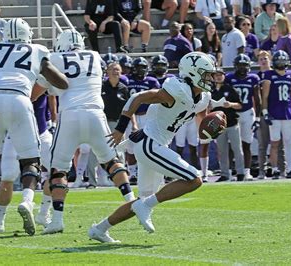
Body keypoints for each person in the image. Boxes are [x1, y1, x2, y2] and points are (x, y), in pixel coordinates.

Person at [88, 51, 221, 243]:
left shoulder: (203, 97)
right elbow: (138, 98)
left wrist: (212, 128)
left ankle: (99, 229)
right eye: (206, 74)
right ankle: (145, 206)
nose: (211, 78)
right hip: (150, 143)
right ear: (193, 73)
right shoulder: (177, 89)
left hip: (155, 144)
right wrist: (120, 129)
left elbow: (202, 120)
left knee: (143, 200)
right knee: (194, 179)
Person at [0, 18, 69, 235]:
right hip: (19, 100)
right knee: (30, 160)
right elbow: (62, 83)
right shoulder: (37, 50)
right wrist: (45, 76)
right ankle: (27, 202)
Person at [35, 29, 135, 234]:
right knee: (112, 162)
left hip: (70, 114)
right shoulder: (94, 57)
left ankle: (57, 219)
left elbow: (36, 93)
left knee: (58, 170)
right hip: (96, 115)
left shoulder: (55, 57)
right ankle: (133, 201)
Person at [0, 92, 54, 233]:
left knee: (56, 173)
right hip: (19, 133)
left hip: (37, 132)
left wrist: (54, 116)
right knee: (7, 177)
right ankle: (0, 220)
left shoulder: (35, 76)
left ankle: (43, 213)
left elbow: (44, 93)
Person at [261, 50, 291, 179]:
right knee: (274, 143)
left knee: (289, 143)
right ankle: (274, 169)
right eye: (279, 61)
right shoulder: (269, 75)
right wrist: (265, 112)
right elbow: (265, 96)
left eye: (283, 61)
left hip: (288, 113)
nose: (281, 64)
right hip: (274, 113)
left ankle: (289, 169)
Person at [124, 57, 161, 185]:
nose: (141, 70)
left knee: (148, 144)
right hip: (131, 116)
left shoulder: (151, 81)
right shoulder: (128, 80)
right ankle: (133, 173)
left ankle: (148, 172)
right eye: (138, 67)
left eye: (143, 67)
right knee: (130, 146)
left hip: (147, 116)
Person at [225, 54, 260, 181]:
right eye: (240, 66)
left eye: (244, 66)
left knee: (246, 143)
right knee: (231, 144)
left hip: (247, 113)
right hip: (233, 113)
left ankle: (246, 171)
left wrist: (258, 118)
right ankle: (229, 172)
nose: (242, 68)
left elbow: (257, 99)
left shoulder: (253, 78)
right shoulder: (229, 78)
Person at [214, 67, 245, 182]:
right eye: (216, 75)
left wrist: (230, 104)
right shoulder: (210, 91)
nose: (218, 76)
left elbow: (240, 105)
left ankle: (240, 173)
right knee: (222, 151)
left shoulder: (230, 89)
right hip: (218, 125)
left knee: (237, 149)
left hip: (232, 123)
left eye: (220, 74)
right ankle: (225, 174)